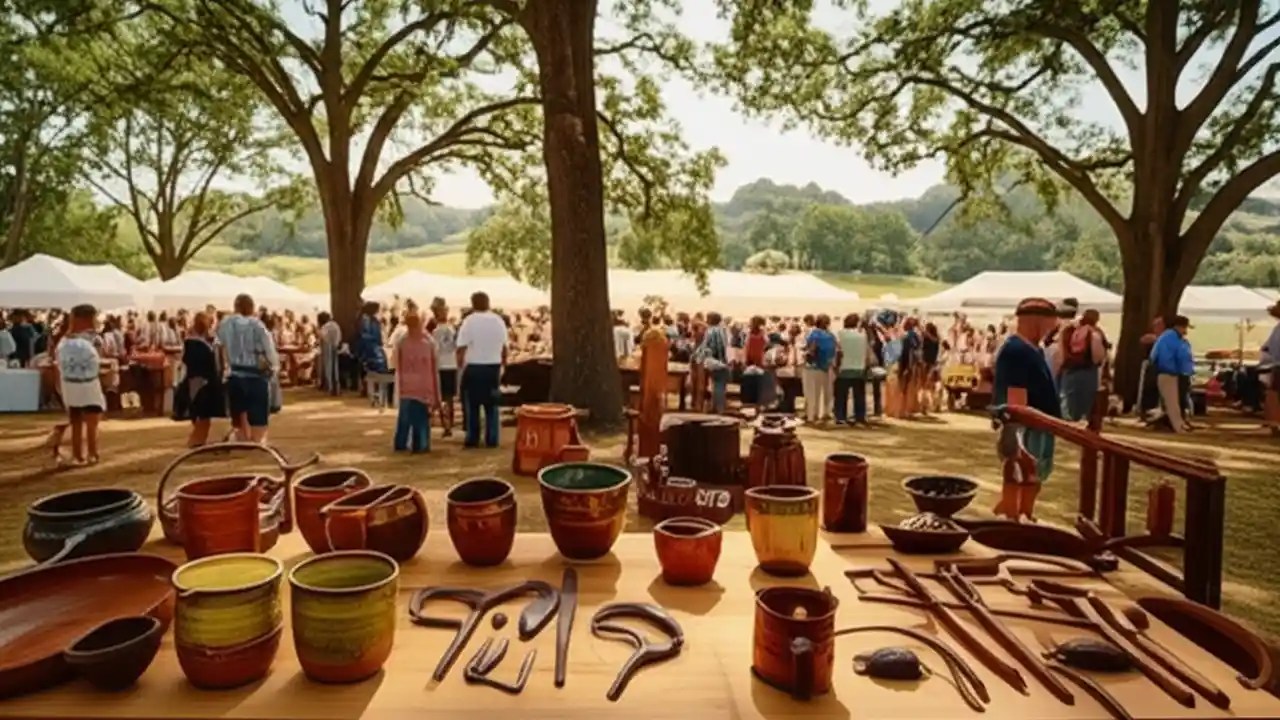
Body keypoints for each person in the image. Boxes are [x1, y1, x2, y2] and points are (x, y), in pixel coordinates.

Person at [992, 298, 1062, 519]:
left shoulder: (1032, 350)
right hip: (1027, 426)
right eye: (1050, 323)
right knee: (1024, 471)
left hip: (1040, 424)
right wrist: (1016, 430)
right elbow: (1016, 395)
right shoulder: (1017, 351)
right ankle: (1015, 514)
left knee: (1035, 474)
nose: (1053, 328)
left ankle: (1023, 512)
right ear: (1036, 322)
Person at [217, 293, 279, 443]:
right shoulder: (258, 325)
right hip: (256, 377)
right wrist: (274, 369)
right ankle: (256, 442)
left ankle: (242, 439)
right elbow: (270, 352)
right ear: (252, 308)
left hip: (235, 375)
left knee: (238, 418)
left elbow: (218, 346)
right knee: (258, 420)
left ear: (235, 307)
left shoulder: (225, 323)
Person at [55, 304, 107, 466]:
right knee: (92, 421)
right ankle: (92, 453)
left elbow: (58, 362)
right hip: (89, 385)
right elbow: (98, 360)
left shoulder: (64, 339)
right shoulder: (94, 338)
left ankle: (78, 455)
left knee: (76, 420)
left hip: (70, 384)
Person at [456, 291, 507, 448]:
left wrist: (460, 364)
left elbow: (461, 346)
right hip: (493, 365)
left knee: (472, 404)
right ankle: (492, 437)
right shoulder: (498, 321)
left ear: (473, 304)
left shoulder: (469, 322)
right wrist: (503, 363)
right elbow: (505, 347)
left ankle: (473, 437)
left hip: (475, 365)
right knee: (492, 404)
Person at [393, 311, 440, 453]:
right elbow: (434, 366)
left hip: (407, 384)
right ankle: (421, 444)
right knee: (420, 417)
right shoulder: (428, 341)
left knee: (406, 417)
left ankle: (402, 443)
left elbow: (396, 364)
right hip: (423, 385)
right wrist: (436, 392)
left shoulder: (402, 340)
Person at [177, 312, 224, 448]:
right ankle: (195, 443)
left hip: (192, 381)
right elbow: (211, 367)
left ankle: (198, 442)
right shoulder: (203, 346)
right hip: (204, 383)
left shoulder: (188, 343)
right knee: (203, 417)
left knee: (198, 415)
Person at [1059, 308, 1107, 422]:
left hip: (1069, 368)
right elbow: (1099, 354)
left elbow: (1061, 349)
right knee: (1087, 396)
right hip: (1088, 369)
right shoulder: (1095, 332)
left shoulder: (1068, 330)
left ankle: (1069, 417)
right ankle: (1084, 417)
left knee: (1070, 396)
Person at [1150, 315, 1195, 433]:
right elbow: (1180, 356)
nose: (1186, 331)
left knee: (1173, 402)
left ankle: (1179, 424)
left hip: (1170, 373)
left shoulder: (1167, 337)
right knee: (1172, 403)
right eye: (1185, 328)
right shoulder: (1173, 339)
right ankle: (1178, 426)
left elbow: (1153, 356)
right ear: (1179, 327)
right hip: (1169, 373)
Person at [430, 297, 458, 438]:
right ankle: (449, 423)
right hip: (451, 364)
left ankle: (446, 424)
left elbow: (434, 351)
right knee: (449, 397)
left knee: (441, 397)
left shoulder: (435, 333)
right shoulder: (452, 330)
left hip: (440, 366)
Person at [834, 313, 869, 425]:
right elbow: (866, 352)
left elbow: (838, 351)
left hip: (844, 367)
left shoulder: (840, 334)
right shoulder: (862, 335)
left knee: (841, 395)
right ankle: (859, 416)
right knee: (859, 395)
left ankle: (840, 416)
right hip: (859, 367)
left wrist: (836, 365)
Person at [802, 313, 837, 423]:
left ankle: (812, 415)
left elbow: (811, 350)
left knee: (812, 393)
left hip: (813, 366)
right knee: (825, 392)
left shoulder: (814, 334)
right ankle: (825, 413)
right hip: (826, 367)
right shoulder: (831, 336)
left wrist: (806, 355)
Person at [697, 312, 731, 414]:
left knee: (717, 385)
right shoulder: (724, 330)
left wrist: (699, 358)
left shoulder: (710, 331)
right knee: (719, 385)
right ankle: (718, 407)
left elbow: (705, 348)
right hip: (723, 361)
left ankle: (717, 409)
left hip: (714, 361)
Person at [1261, 301, 1280, 436]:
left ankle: (1275, 423)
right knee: (1273, 394)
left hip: (1277, 365)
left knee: (1274, 394)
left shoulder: (1277, 329)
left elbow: (1267, 348)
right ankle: (1275, 423)